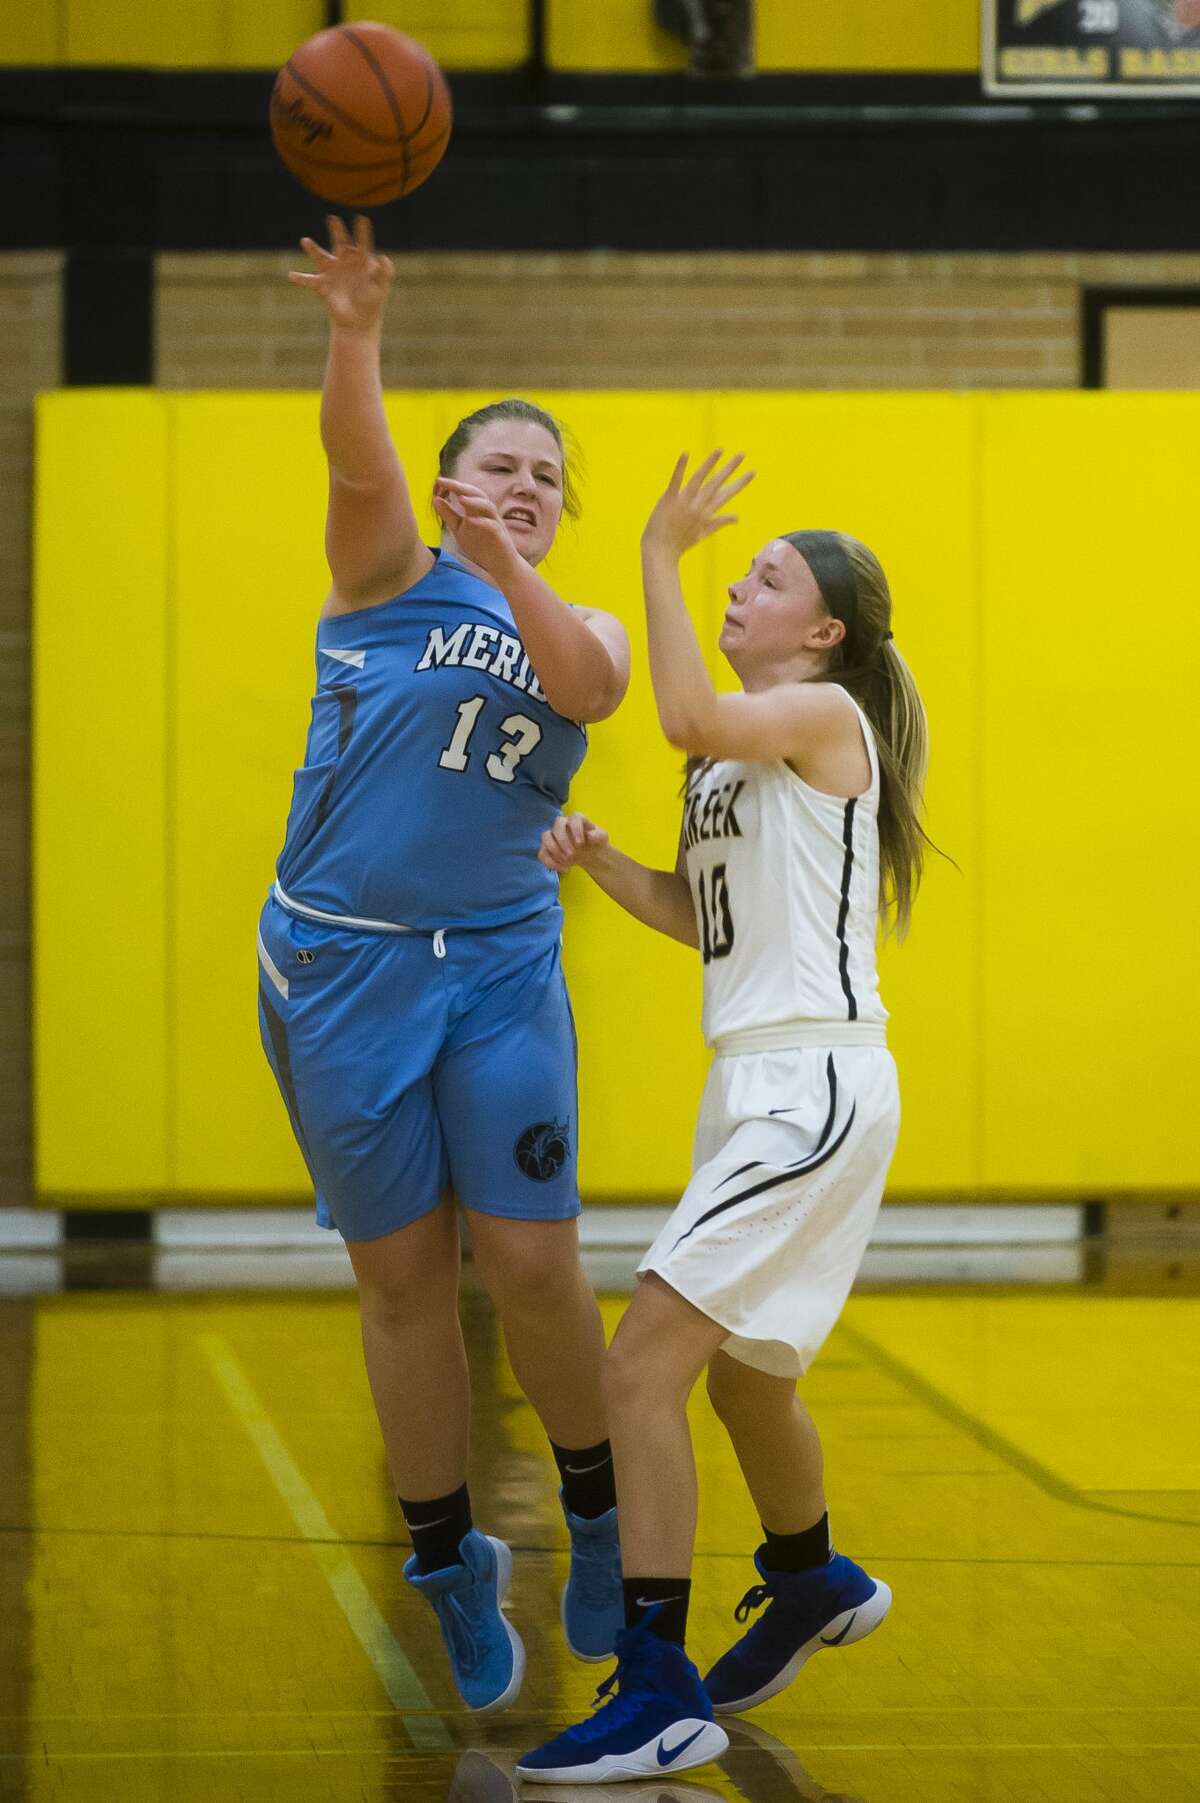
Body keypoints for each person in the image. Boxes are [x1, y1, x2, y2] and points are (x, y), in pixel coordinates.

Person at [255, 214, 631, 1715]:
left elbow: (589, 683)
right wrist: (356, 331)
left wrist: (511, 565)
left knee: (535, 1261)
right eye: (503, 466)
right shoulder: (381, 573)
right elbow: (356, 464)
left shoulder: (576, 619)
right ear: (448, 482)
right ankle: (446, 1561)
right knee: (405, 1281)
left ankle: (598, 1519)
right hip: (341, 972)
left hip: (496, 968)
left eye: (549, 476)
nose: (527, 487)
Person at [517, 450, 930, 1783]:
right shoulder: (739, 764)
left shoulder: (820, 717)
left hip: (810, 1082)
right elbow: (706, 921)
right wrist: (612, 868)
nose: (739, 589)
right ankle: (810, 1578)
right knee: (750, 1377)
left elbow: (685, 711)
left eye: (763, 579)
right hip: (759, 1078)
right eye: (733, 575)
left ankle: (656, 1683)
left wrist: (660, 551)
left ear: (821, 634)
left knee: (641, 1368)